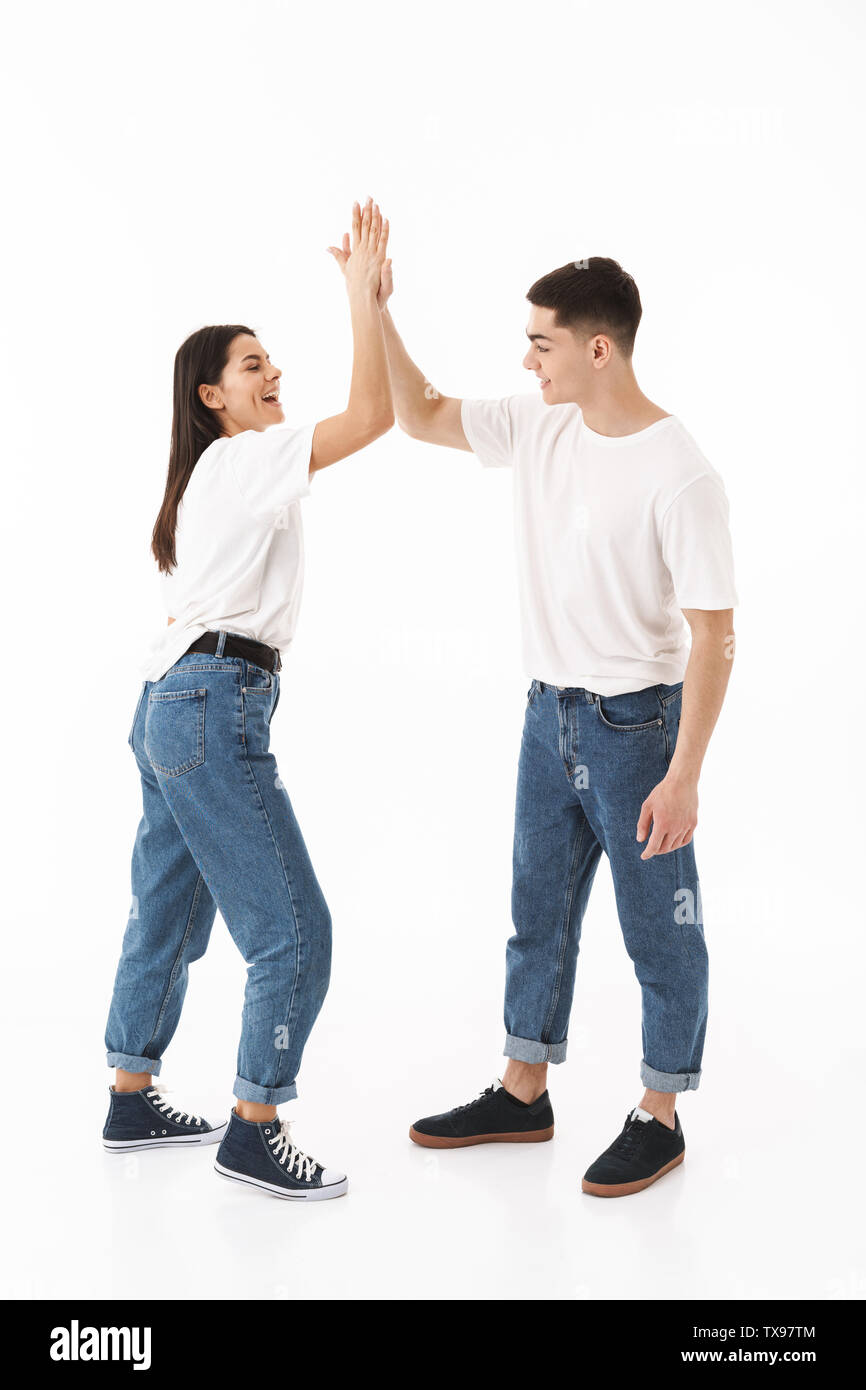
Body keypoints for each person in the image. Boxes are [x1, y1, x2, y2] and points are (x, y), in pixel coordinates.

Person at [380, 254, 737, 1197]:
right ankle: (523, 1089)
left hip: (635, 728)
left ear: (599, 348)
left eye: (541, 343)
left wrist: (685, 775)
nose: (528, 359)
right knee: (534, 915)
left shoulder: (681, 472)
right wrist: (373, 307)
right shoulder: (539, 422)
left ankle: (660, 1115)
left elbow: (715, 637)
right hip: (548, 715)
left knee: (659, 931)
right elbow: (419, 413)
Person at [102, 198, 393, 1202]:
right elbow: (373, 417)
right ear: (211, 396)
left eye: (271, 363)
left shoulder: (205, 479)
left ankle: (131, 1090)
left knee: (168, 915)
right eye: (255, 367)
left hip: (168, 706)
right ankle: (254, 1122)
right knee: (291, 929)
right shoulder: (242, 456)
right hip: (212, 704)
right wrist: (362, 297)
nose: (274, 378)